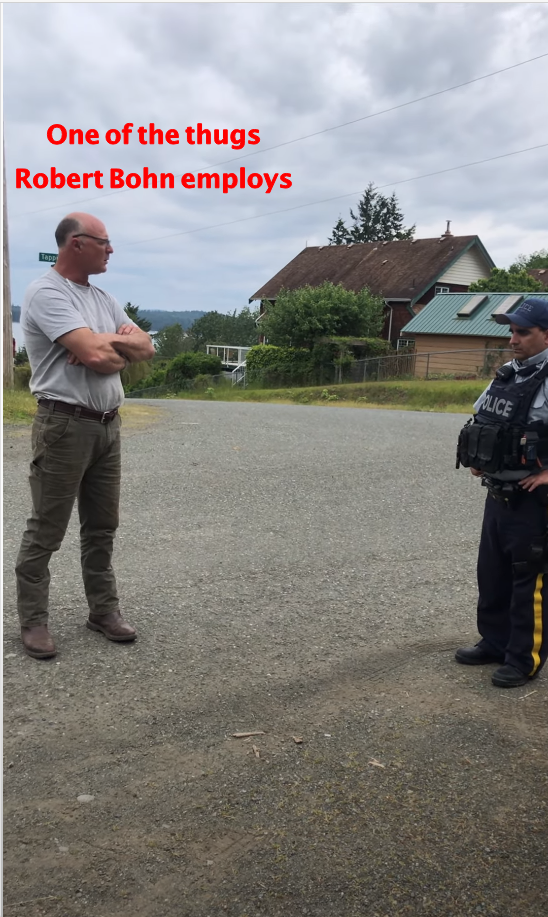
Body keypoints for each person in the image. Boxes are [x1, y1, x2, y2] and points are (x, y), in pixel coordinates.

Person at [16, 212, 155, 659]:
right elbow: (98, 356)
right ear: (76, 244)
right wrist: (109, 346)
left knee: (102, 527)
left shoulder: (104, 297)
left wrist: (101, 345)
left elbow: (147, 349)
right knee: (47, 529)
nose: (111, 250)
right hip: (64, 426)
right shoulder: (45, 292)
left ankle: (103, 612)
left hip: (108, 425)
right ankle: (34, 621)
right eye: (104, 242)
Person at [455, 296, 548, 687]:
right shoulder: (509, 372)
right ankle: (494, 642)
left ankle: (523, 658)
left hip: (535, 501)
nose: (513, 340)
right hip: (499, 492)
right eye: (511, 331)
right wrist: (480, 456)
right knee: (492, 573)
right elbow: (486, 417)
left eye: (523, 332)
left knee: (529, 579)